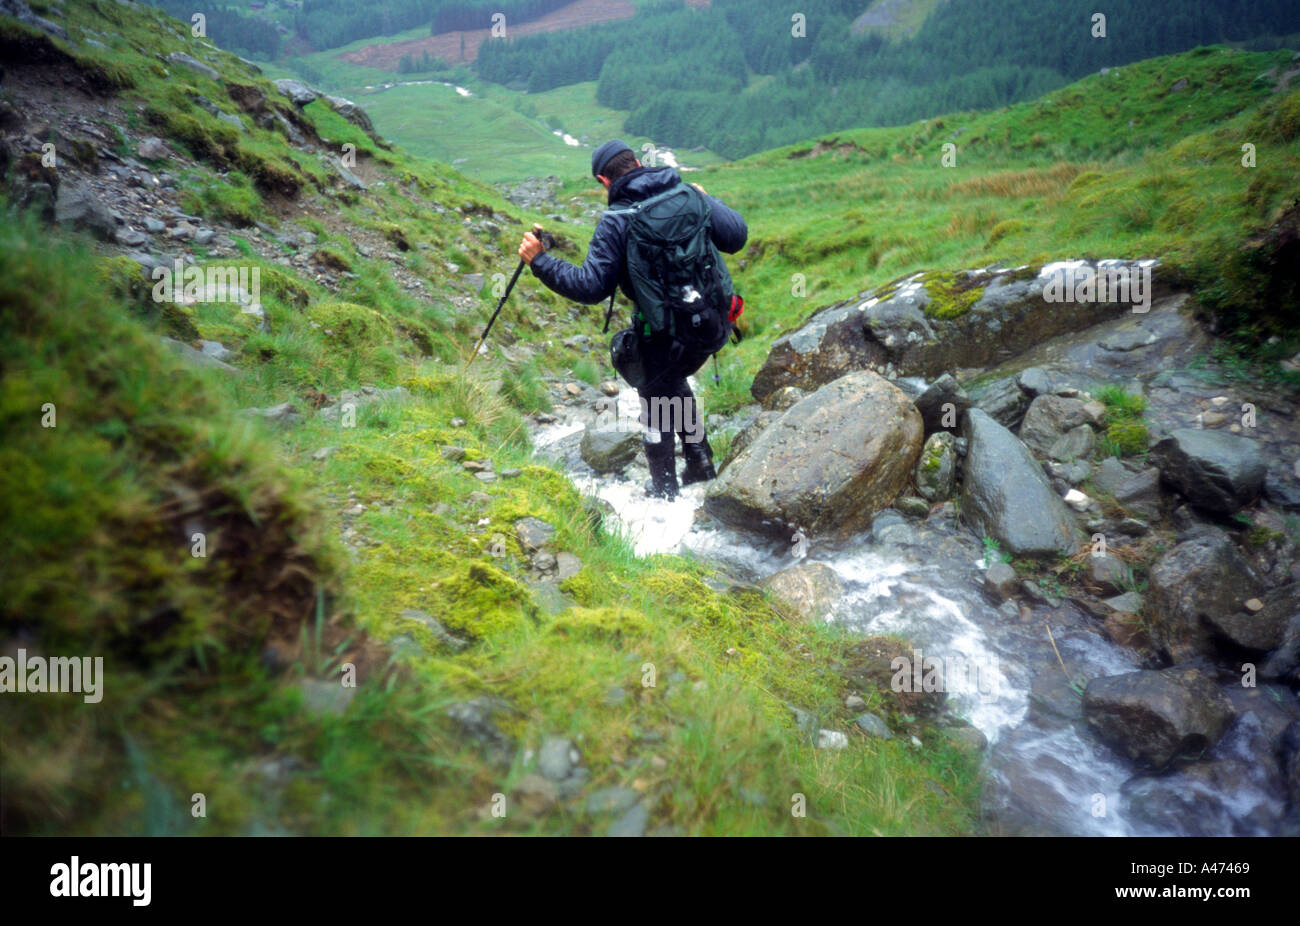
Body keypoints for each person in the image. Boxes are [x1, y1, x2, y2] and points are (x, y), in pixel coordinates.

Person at [518, 139, 748, 499]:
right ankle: (700, 462)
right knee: (672, 381)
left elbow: (591, 287)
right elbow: (737, 237)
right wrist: (706, 199)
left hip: (663, 336)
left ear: (603, 181)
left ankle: (664, 496)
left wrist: (540, 261)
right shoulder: (688, 193)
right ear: (639, 162)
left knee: (655, 390)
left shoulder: (616, 221)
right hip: (712, 324)